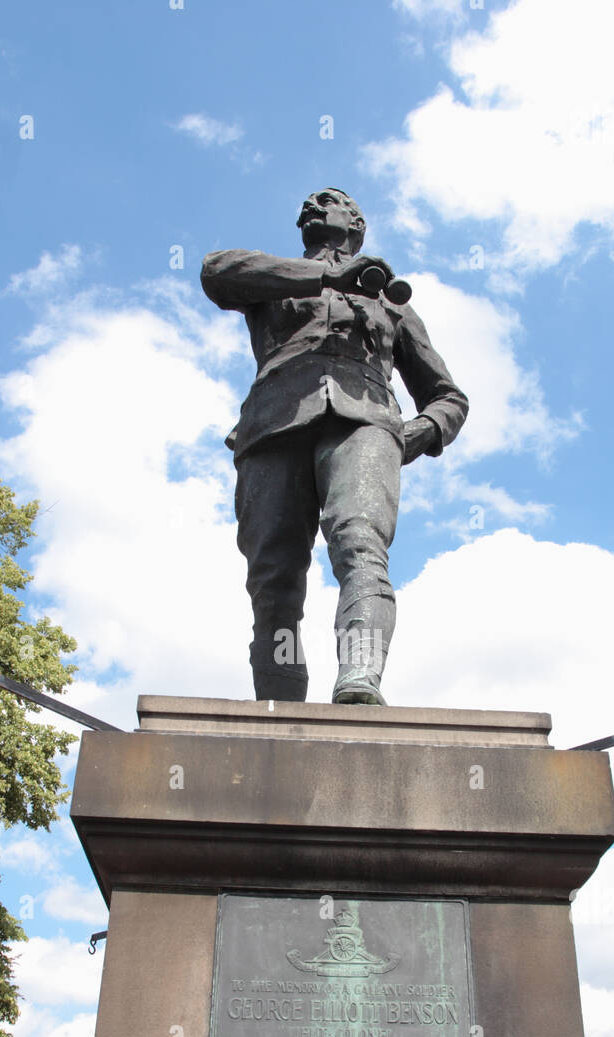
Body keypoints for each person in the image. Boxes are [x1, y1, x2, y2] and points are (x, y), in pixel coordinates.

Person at [201, 187, 468, 704]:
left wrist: (411, 434)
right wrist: (325, 277)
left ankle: (359, 680)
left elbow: (448, 396)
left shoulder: (392, 304)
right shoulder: (273, 277)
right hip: (273, 426)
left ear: (357, 222)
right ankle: (279, 707)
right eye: (307, 201)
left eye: (330, 199)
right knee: (273, 577)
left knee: (359, 544)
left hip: (365, 419)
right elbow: (216, 271)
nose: (313, 205)